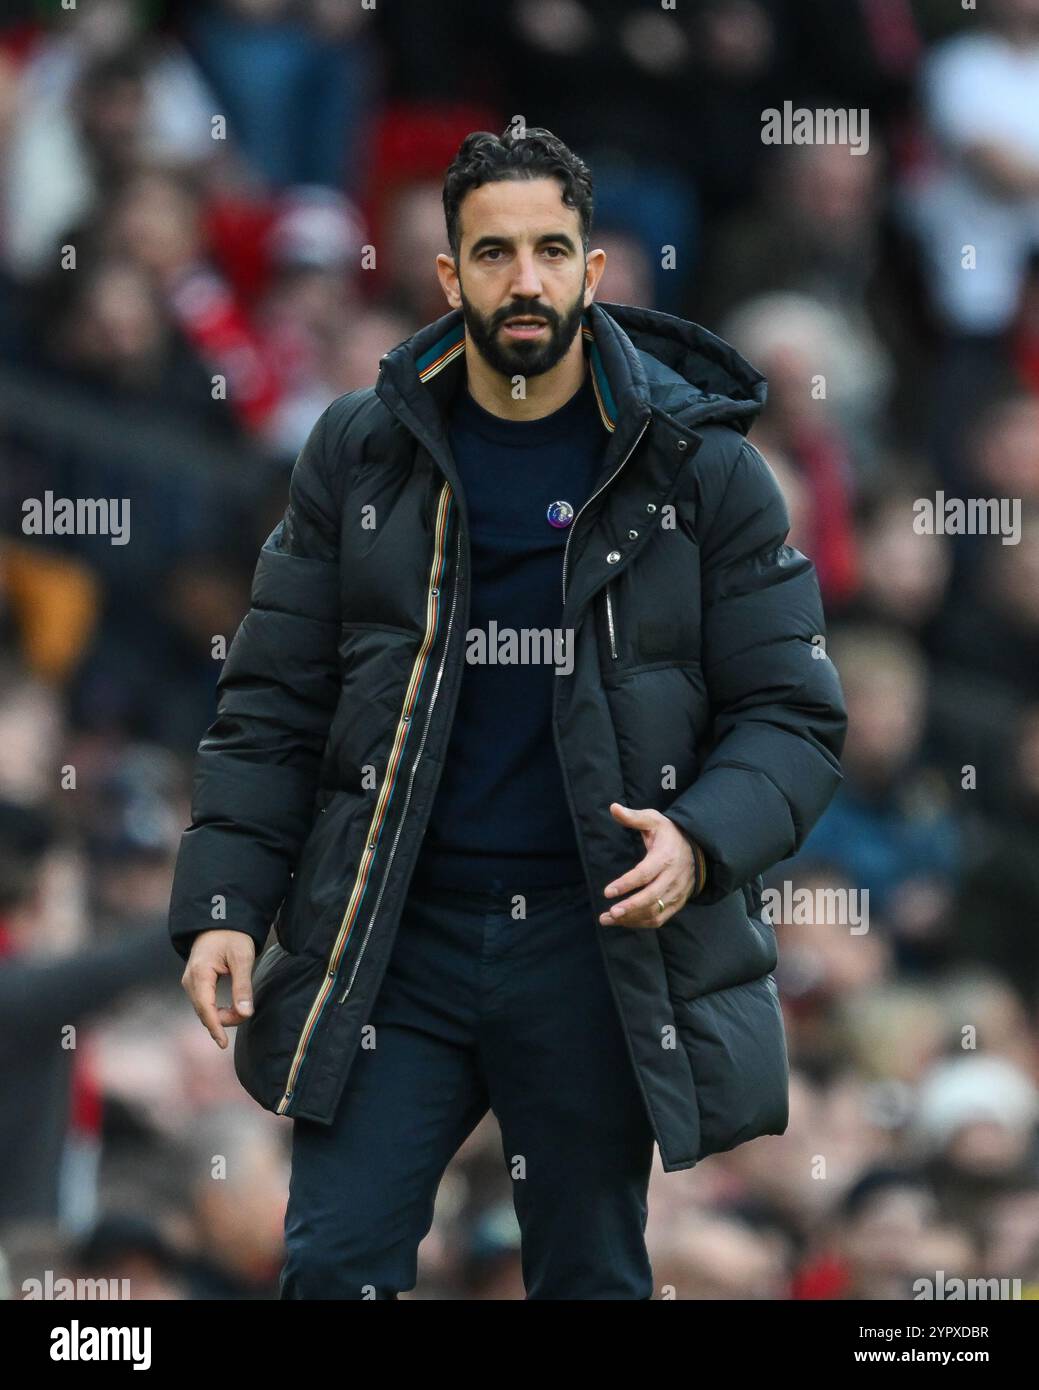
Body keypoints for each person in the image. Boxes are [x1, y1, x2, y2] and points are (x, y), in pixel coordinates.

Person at [168, 126, 847, 1300]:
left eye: (549, 251)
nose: (522, 281)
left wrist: (700, 839)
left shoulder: (704, 472)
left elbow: (791, 713)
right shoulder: (359, 450)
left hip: (594, 944)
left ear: (593, 270)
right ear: (448, 276)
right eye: (492, 253)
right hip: (395, 934)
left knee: (587, 1274)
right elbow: (273, 699)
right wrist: (226, 901)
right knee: (332, 1267)